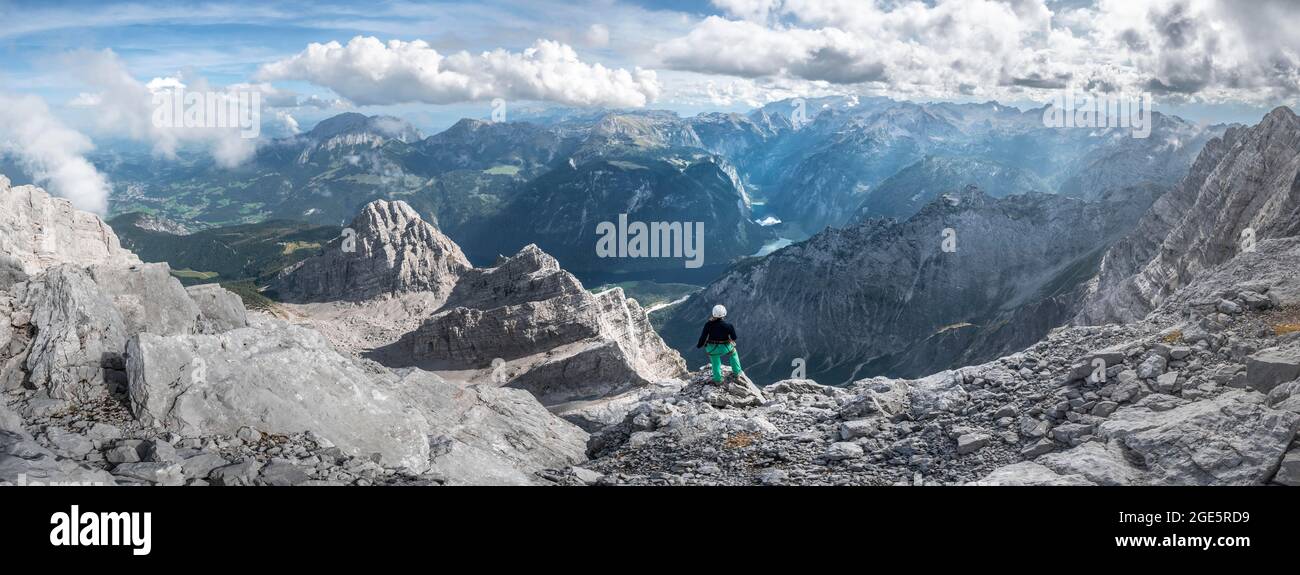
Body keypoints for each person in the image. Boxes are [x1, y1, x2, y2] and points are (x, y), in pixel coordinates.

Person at [696, 304, 746, 384]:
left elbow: (703, 337)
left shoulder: (708, 325)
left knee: (715, 361)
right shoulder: (729, 326)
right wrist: (729, 339)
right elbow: (734, 338)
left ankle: (718, 380)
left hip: (712, 349)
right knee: (733, 353)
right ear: (724, 314)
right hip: (726, 348)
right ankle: (737, 373)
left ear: (713, 314)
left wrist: (699, 345)